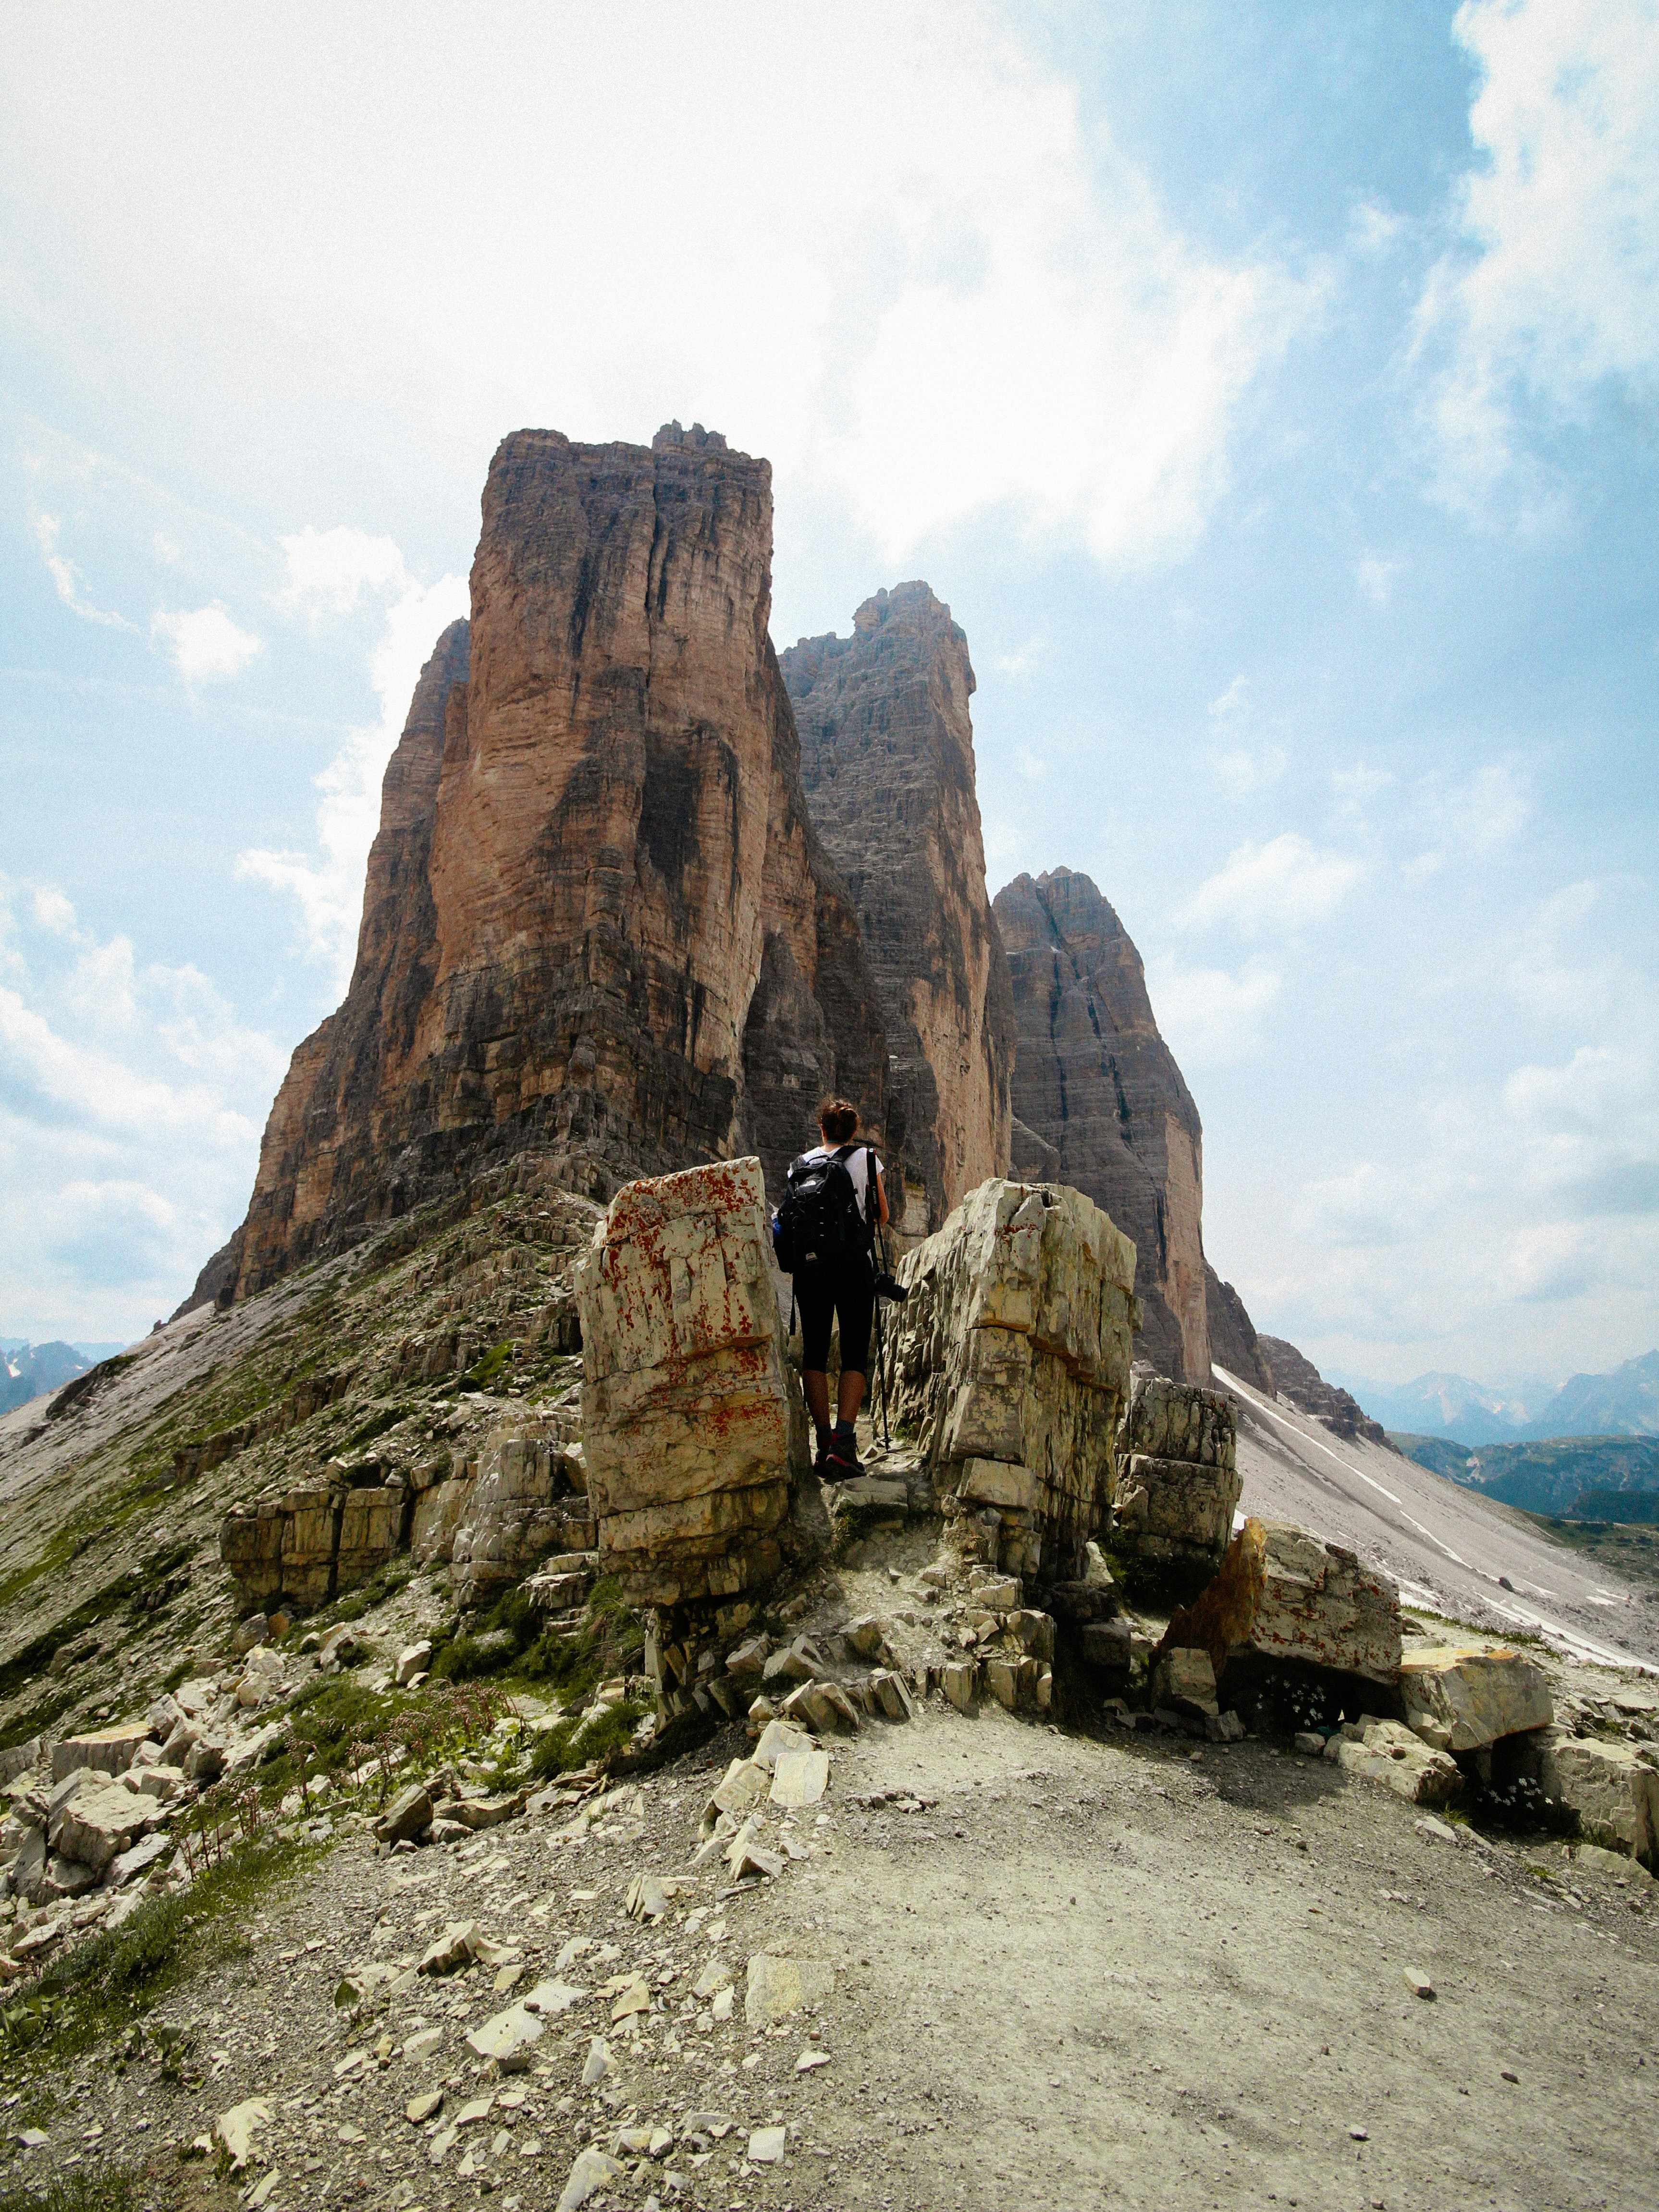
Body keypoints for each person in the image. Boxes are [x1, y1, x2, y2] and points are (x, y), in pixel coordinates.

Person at [787, 1096, 888, 1476]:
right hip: (851, 1267)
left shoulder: (799, 1166)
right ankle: (844, 1445)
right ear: (853, 1130)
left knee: (813, 1353)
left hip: (810, 1270)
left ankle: (822, 1440)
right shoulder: (865, 1160)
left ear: (821, 1128)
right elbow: (882, 1213)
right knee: (853, 1353)